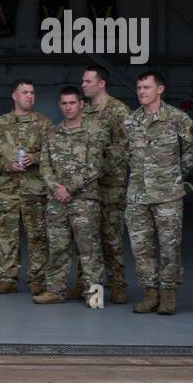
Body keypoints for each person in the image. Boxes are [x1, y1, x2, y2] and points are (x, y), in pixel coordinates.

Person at [124, 70, 193, 316]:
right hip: (137, 195)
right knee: (140, 247)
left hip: (167, 195)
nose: (141, 92)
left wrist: (175, 175)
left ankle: (168, 294)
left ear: (160, 89)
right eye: (139, 88)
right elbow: (124, 154)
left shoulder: (178, 118)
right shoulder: (129, 121)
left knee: (169, 247)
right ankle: (150, 293)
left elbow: (191, 150)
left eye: (146, 87)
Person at [33, 86, 109, 306]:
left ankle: (93, 294)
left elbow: (95, 165)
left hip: (85, 200)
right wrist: (57, 187)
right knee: (57, 247)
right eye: (64, 104)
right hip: (57, 201)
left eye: (72, 103)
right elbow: (45, 165)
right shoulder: (52, 133)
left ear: (81, 104)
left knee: (89, 249)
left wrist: (69, 188)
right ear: (60, 105)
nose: (68, 107)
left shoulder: (93, 131)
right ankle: (55, 291)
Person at [0, 79, 51, 295]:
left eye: (32, 92)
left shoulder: (44, 124)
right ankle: (8, 278)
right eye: (24, 92)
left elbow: (55, 153)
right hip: (8, 189)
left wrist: (37, 157)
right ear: (14, 96)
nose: (29, 96)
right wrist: (6, 165)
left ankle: (37, 280)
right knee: (7, 236)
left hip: (35, 190)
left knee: (37, 236)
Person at [81, 65, 130, 303]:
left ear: (101, 84)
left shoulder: (118, 110)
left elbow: (123, 148)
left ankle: (117, 284)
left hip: (111, 185)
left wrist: (96, 166)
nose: (84, 85)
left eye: (88, 81)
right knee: (85, 237)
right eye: (83, 81)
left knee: (112, 236)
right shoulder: (83, 110)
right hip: (86, 187)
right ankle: (86, 285)